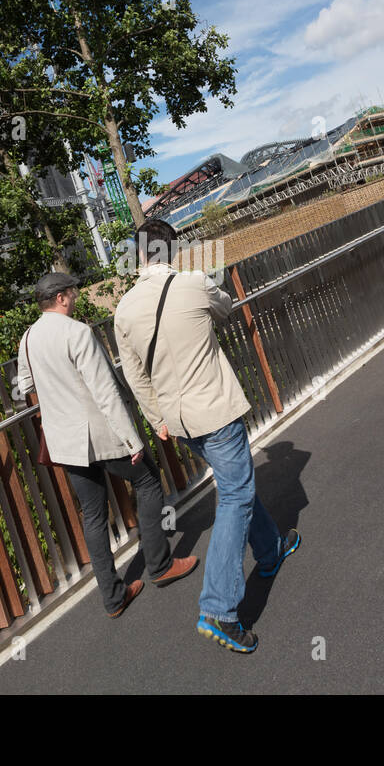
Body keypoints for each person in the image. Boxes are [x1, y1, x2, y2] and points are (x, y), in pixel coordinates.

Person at [114, 219, 300, 653]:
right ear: (171, 251)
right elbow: (227, 307)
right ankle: (219, 607)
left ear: (140, 255)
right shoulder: (194, 283)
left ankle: (271, 548)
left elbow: (137, 377)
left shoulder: (123, 309)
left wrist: (156, 417)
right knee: (235, 495)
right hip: (214, 410)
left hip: (178, 423)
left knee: (236, 485)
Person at [17, 271, 198, 619]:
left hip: (64, 441)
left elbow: (25, 383)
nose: (75, 298)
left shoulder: (28, 338)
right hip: (100, 433)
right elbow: (104, 391)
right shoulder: (78, 333)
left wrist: (57, 399)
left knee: (95, 514)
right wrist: (132, 439)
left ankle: (113, 597)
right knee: (147, 480)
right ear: (61, 298)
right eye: (72, 293)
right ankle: (159, 565)